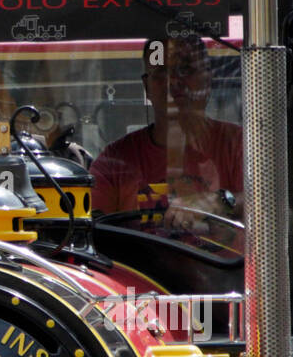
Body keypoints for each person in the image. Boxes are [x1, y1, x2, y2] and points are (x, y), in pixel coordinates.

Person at [91, 36, 242, 226]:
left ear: (208, 80)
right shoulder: (114, 161)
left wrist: (219, 202)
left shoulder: (238, 144)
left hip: (223, 258)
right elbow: (91, 226)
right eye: (161, 72)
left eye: (185, 70)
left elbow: (270, 203)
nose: (174, 81)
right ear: (147, 86)